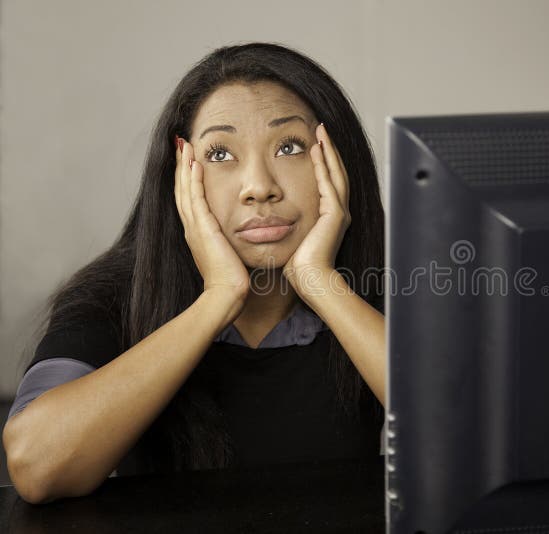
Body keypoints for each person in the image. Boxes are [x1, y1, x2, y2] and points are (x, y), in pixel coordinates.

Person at [1, 42, 387, 505]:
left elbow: (472, 441)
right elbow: (37, 467)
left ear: (338, 163)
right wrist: (218, 298)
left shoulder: (387, 287)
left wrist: (321, 284)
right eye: (221, 154)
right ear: (181, 176)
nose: (259, 187)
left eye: (289, 147)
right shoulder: (113, 295)